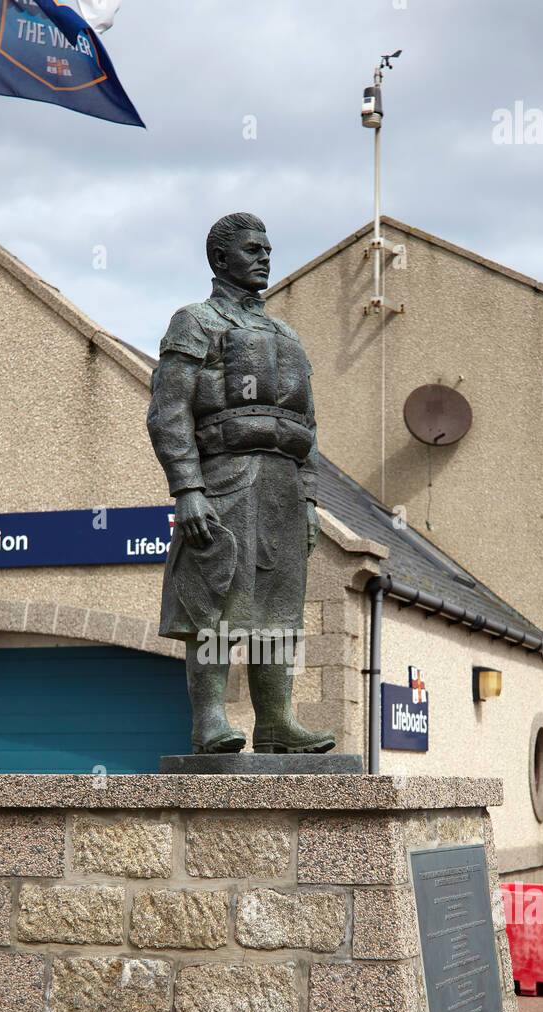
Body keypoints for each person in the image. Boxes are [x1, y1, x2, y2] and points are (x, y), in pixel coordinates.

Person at [147, 212, 335, 755]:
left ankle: (276, 720)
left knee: (279, 609)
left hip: (283, 483)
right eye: (252, 249)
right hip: (225, 476)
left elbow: (309, 426)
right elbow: (168, 410)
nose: (264, 257)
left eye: (269, 249)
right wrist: (188, 488)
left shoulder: (286, 334)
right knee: (213, 601)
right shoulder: (195, 322)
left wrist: (310, 499)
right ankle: (209, 721)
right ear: (219, 259)